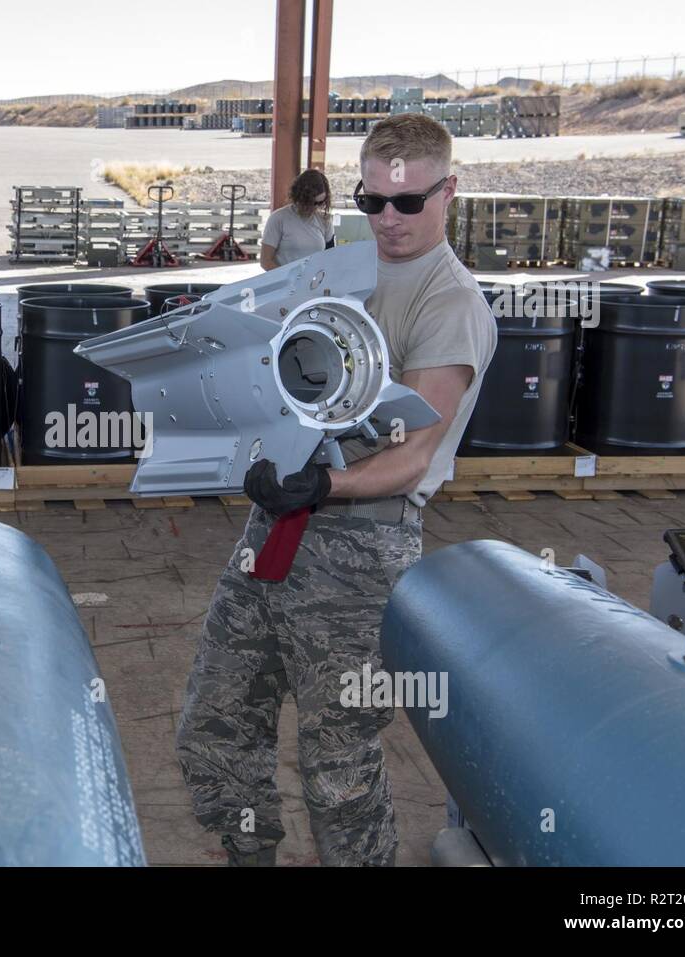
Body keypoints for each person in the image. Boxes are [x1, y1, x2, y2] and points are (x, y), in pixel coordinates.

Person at [175, 113, 497, 866]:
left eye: (409, 203)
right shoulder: (343, 267)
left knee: (338, 764)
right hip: (279, 526)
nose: (388, 219)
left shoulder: (449, 303)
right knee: (218, 723)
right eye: (372, 201)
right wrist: (256, 452)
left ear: (448, 192)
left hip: (364, 549)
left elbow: (413, 455)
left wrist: (323, 481)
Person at [260, 168, 336, 270]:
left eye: (320, 203)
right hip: (285, 282)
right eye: (312, 203)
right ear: (300, 198)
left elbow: (330, 258)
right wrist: (289, 279)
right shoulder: (278, 218)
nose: (315, 207)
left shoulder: (325, 220)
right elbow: (266, 261)